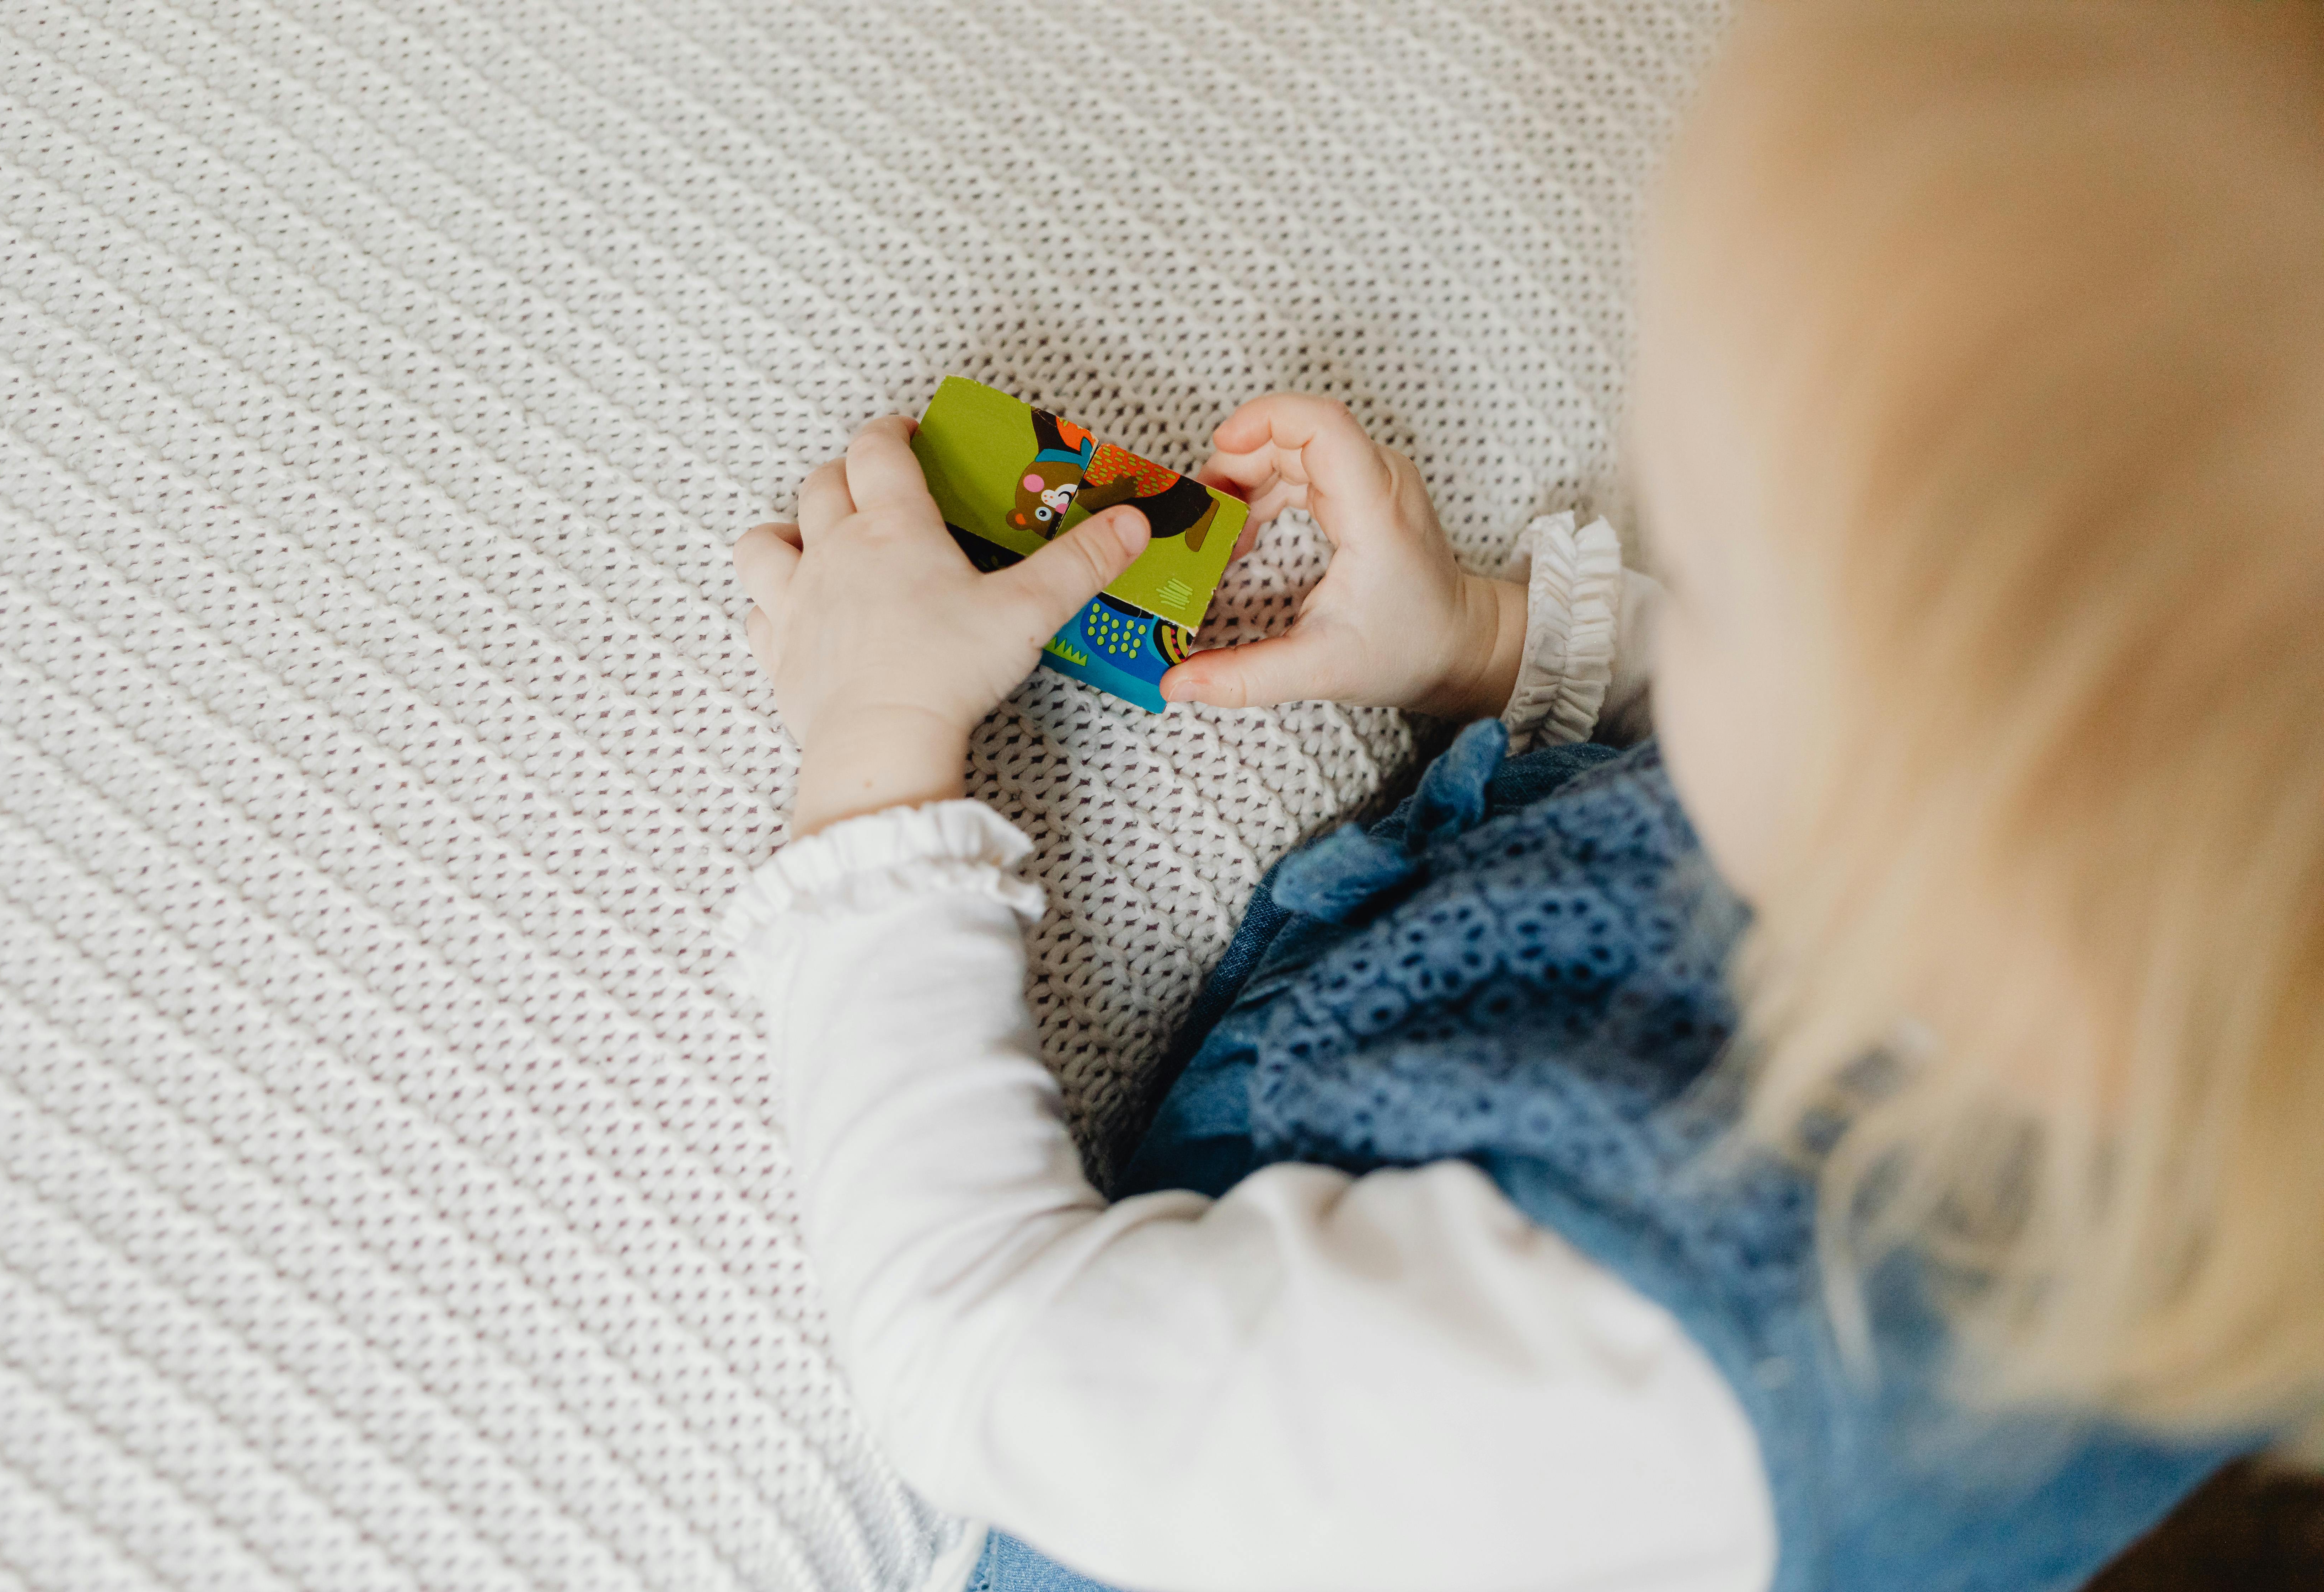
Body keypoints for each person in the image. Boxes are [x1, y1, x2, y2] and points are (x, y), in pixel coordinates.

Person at [728, 4, 2324, 1588]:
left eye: (1694, 583)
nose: (1659, 597)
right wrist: (1489, 643)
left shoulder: (1630, 1395)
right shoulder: (2145, 941)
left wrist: (876, 750)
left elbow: (970, 1338)